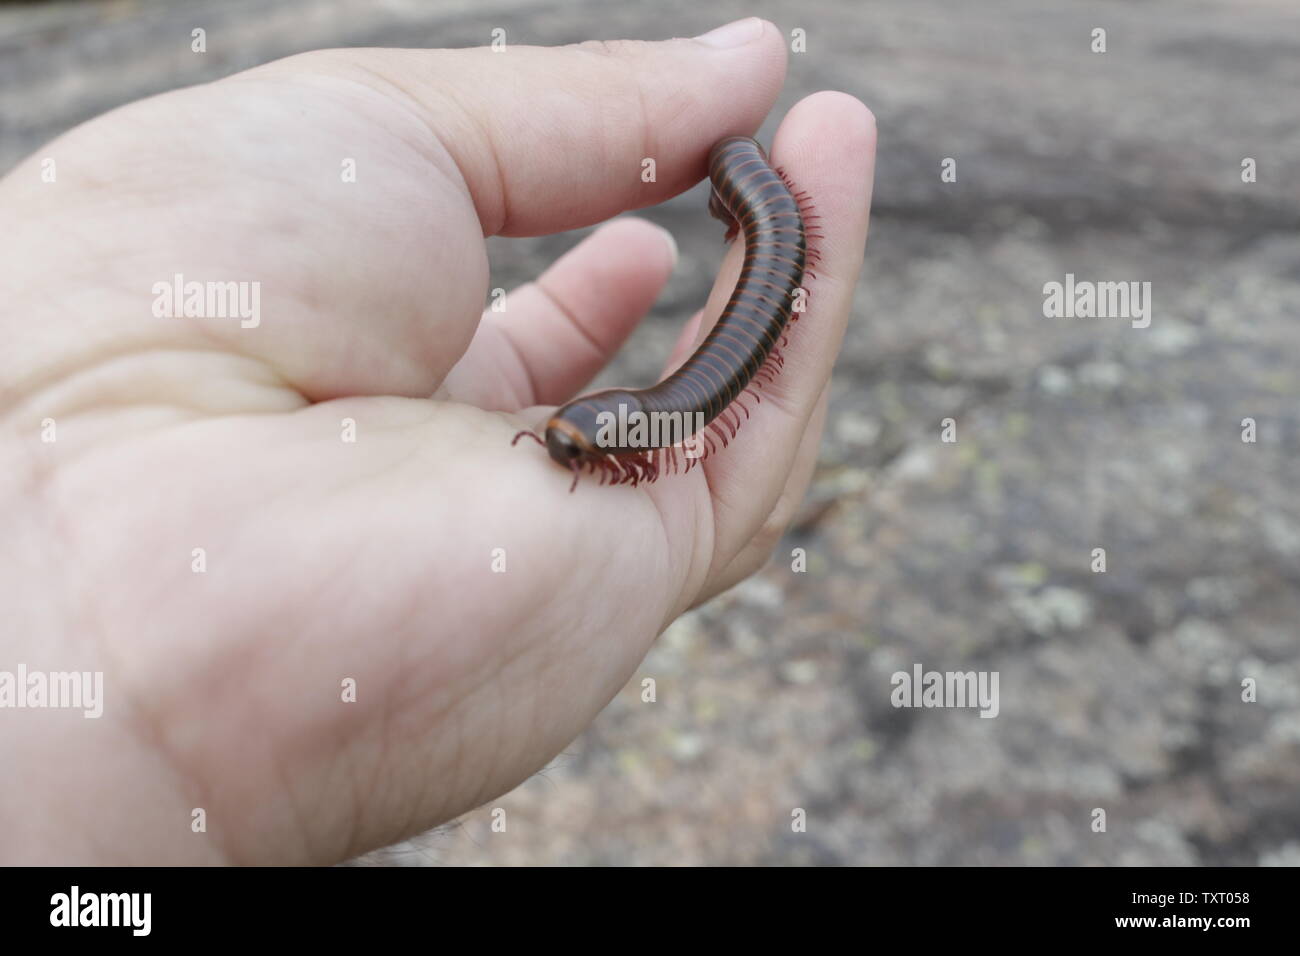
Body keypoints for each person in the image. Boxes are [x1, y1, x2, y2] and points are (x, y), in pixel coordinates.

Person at [0, 17, 876, 864]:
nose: (566, 457)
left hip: (757, 239)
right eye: (576, 449)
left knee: (759, 311)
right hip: (748, 246)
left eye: (572, 449)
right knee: (747, 332)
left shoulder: (664, 404)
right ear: (610, 441)